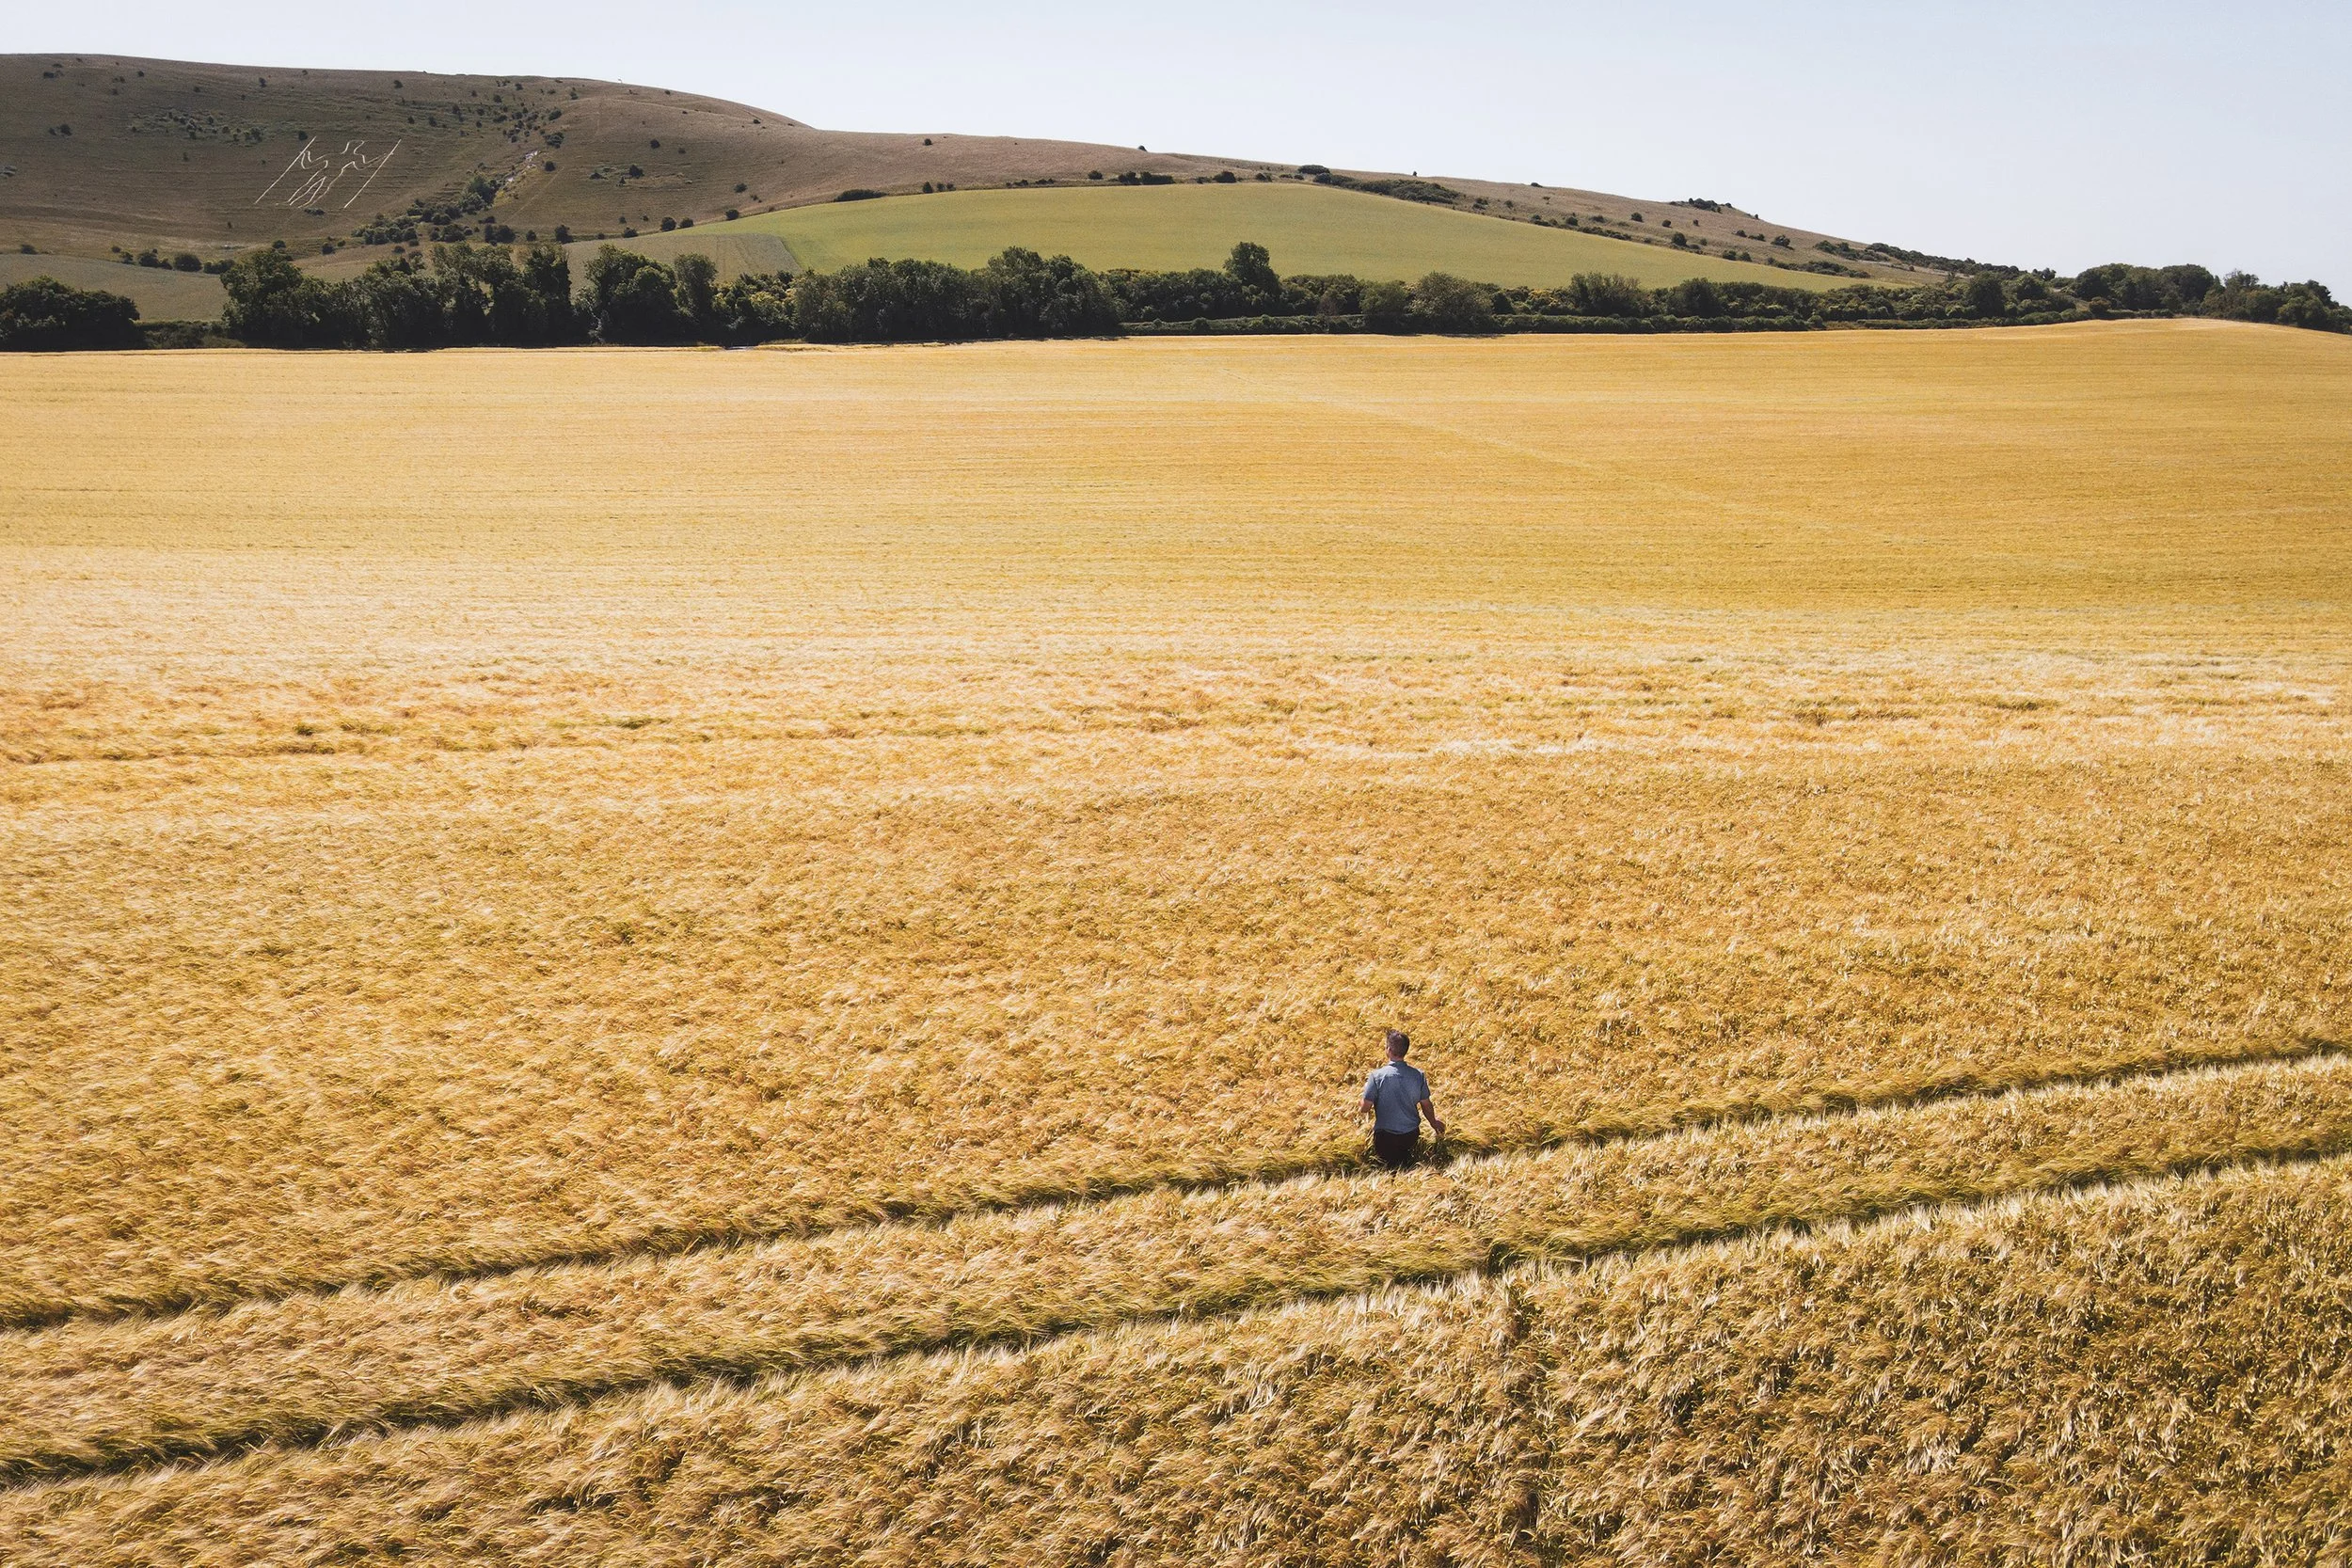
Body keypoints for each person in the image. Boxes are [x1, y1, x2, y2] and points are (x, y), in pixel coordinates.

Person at [1360, 1029, 1444, 1170]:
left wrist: (1362, 1100)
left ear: (1388, 1049)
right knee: (1404, 1166)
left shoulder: (1376, 1076)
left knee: (1388, 1169)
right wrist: (1433, 1122)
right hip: (1410, 1135)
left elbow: (1365, 1108)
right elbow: (1426, 1104)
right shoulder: (1418, 1075)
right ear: (1406, 1050)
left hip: (1385, 1138)